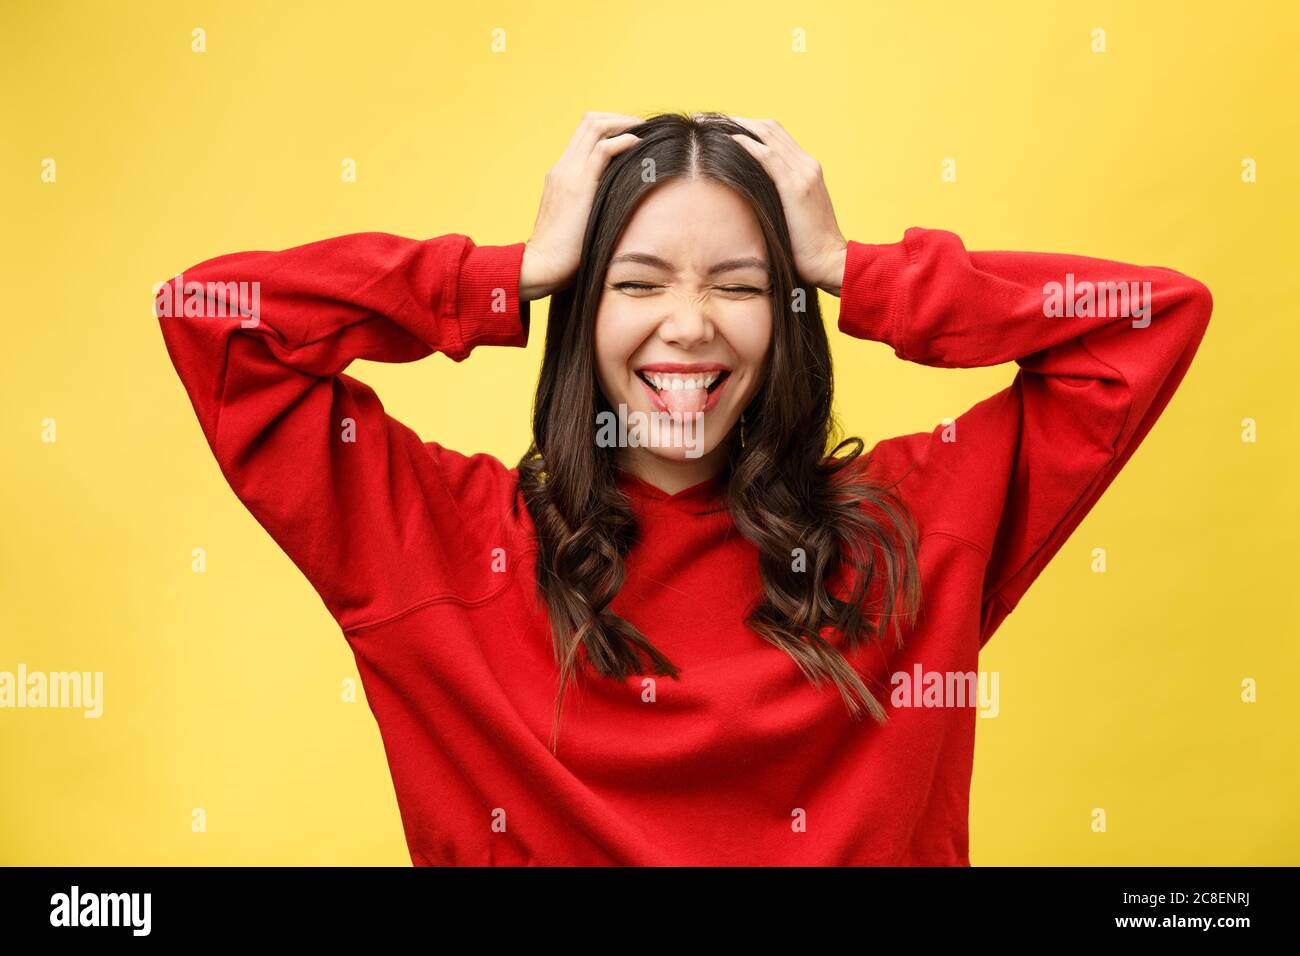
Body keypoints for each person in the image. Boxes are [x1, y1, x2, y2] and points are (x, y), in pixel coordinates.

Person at [154, 111, 1214, 865]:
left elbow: (1146, 314)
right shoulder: (438, 539)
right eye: (637, 280)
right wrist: (510, 270)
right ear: (578, 303)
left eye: (742, 284)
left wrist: (854, 267)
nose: (691, 322)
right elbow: (212, 313)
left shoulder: (910, 526)